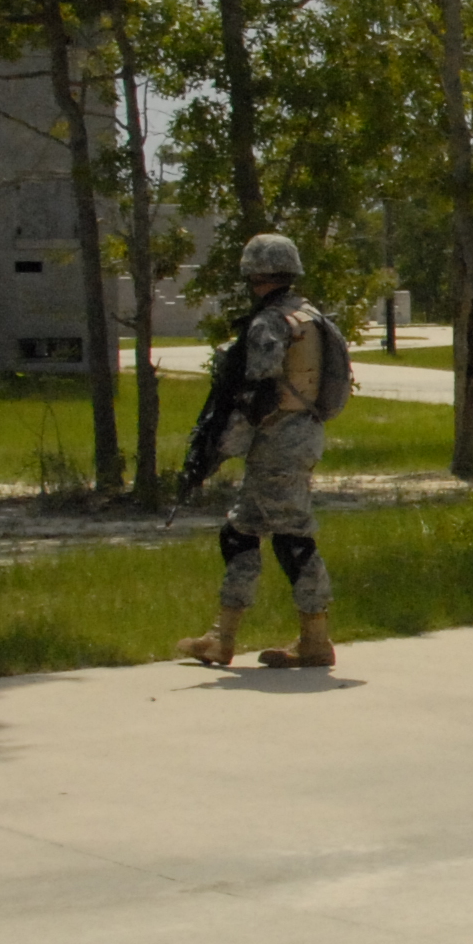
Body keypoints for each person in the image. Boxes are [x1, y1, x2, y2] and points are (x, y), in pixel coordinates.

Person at [180, 233, 349, 671]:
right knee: (241, 532)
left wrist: (217, 449)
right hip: (302, 434)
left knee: (293, 538)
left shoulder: (269, 324)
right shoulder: (310, 315)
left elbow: (256, 395)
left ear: (253, 273)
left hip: (278, 441)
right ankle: (221, 638)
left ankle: (314, 640)